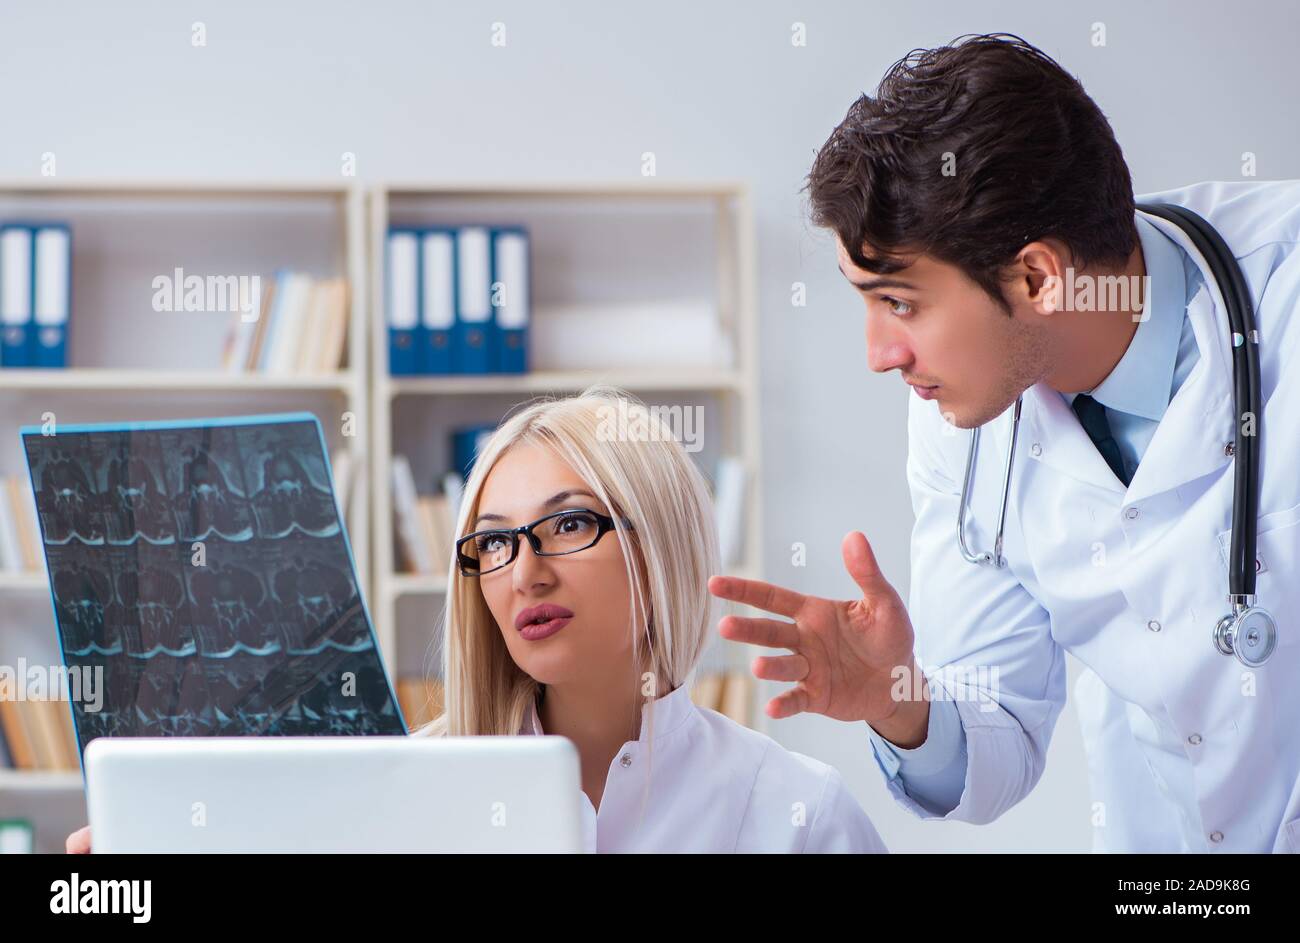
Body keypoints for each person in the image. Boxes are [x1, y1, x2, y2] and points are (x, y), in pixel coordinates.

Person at [710, 33, 1300, 852]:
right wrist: (897, 699)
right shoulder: (969, 409)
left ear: (1037, 278)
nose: (879, 354)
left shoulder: (1287, 302)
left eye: (901, 303)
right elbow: (1001, 732)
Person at [71, 389, 887, 854]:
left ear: (661, 544)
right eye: (492, 540)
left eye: (570, 524)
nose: (524, 569)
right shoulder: (392, 794)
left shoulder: (795, 813)